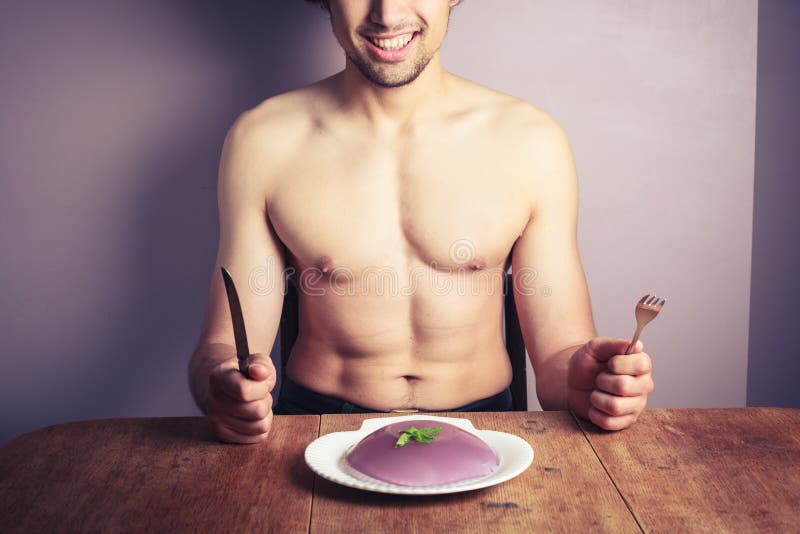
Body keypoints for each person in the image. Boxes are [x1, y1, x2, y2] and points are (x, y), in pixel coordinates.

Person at [189, 0, 654, 444]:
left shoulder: (530, 143)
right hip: (315, 430)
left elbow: (558, 356)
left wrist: (585, 382)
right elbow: (224, 345)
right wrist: (223, 385)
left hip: (487, 429)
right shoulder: (263, 140)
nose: (387, 15)